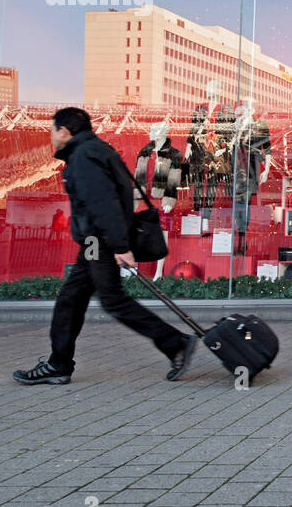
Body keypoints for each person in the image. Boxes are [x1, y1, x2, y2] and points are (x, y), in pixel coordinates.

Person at [13, 107, 197, 385]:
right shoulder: (96, 150)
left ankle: (174, 343)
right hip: (95, 241)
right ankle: (59, 363)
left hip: (99, 241)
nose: (51, 136)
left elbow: (103, 203)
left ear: (64, 131)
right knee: (70, 301)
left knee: (112, 301)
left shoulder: (84, 156)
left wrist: (120, 246)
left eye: (52, 130)